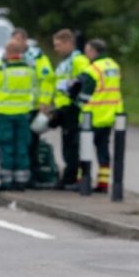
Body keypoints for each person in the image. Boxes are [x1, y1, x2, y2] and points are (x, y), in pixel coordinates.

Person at [13, 29, 61, 188]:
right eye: (13, 40)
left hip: (32, 107)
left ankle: (29, 176)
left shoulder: (37, 57)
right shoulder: (9, 56)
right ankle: (17, 174)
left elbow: (47, 80)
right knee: (15, 142)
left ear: (25, 40)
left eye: (18, 40)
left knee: (30, 143)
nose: (16, 44)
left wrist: (44, 102)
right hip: (15, 107)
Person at [0, 40, 39, 190]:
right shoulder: (29, 70)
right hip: (23, 114)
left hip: (5, 113)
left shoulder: (1, 69)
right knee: (22, 146)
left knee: (6, 147)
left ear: (9, 53)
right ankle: (21, 181)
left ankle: (6, 180)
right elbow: (35, 90)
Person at [50, 28, 93, 187]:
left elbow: (83, 82)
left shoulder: (78, 60)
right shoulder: (65, 62)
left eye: (58, 45)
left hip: (73, 108)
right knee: (67, 144)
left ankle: (71, 177)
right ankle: (70, 175)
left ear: (69, 43)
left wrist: (73, 99)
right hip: (63, 107)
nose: (56, 49)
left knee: (72, 145)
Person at [85, 39, 124, 188]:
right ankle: (103, 182)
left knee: (84, 149)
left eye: (87, 51)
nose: (86, 54)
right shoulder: (114, 65)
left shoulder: (93, 69)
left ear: (94, 51)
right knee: (103, 150)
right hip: (110, 114)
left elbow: (84, 94)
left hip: (93, 115)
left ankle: (84, 182)